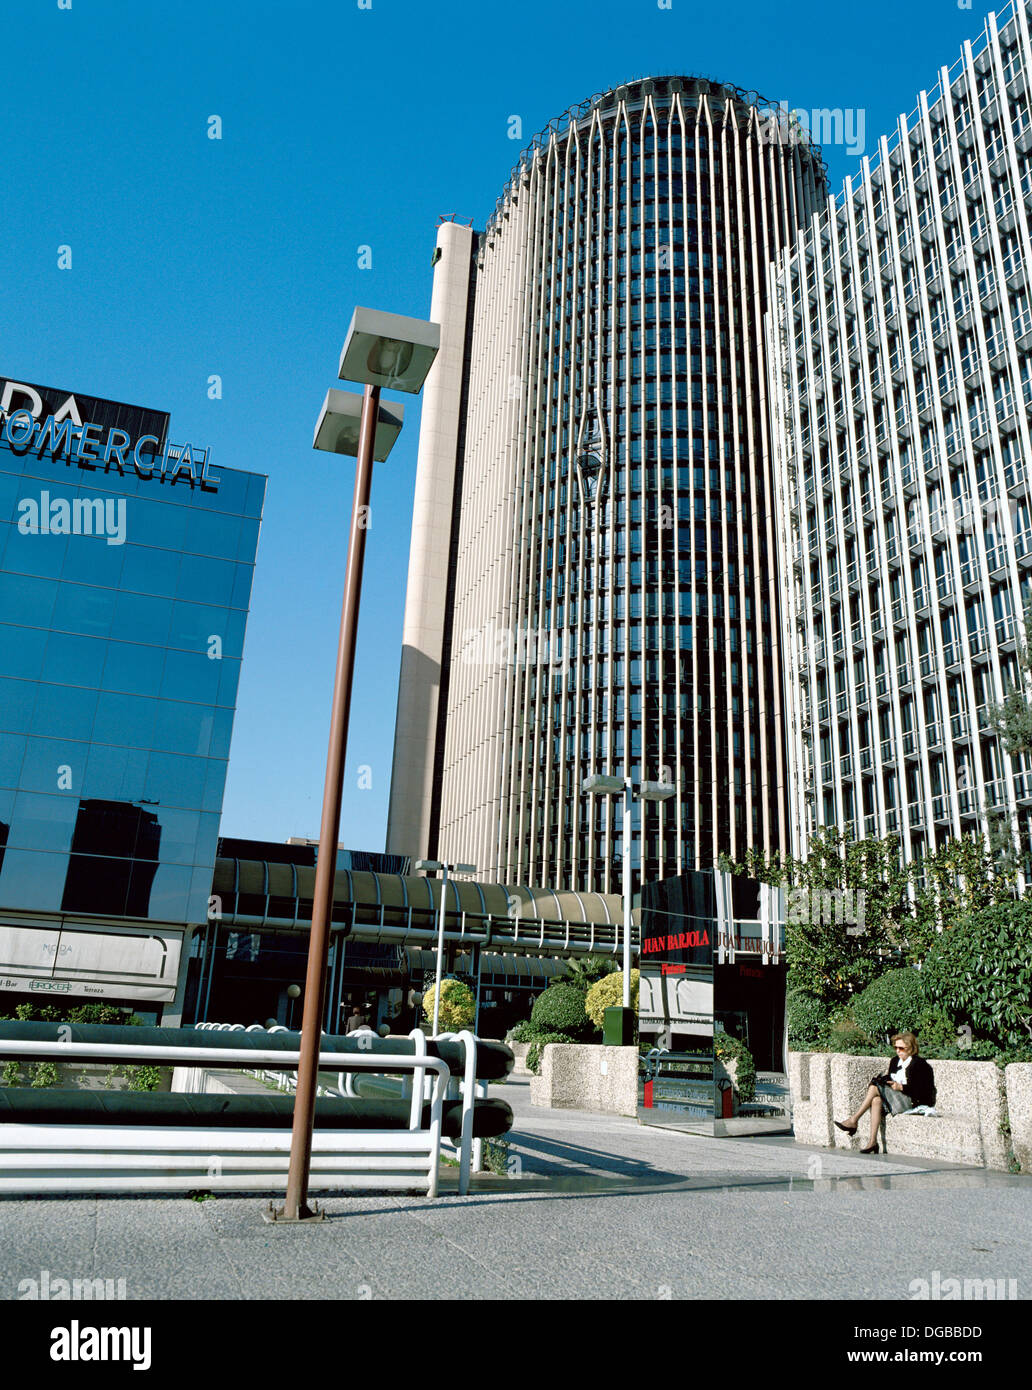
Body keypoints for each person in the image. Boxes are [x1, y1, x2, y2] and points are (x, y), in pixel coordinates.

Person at [835, 1032, 936, 1153]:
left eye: (901, 1048)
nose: (898, 1051)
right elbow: (891, 1078)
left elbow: (924, 1090)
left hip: (913, 1101)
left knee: (874, 1088)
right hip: (896, 1098)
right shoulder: (894, 1061)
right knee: (876, 1100)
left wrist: (902, 1087)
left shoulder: (920, 1065)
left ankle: (854, 1120)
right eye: (896, 1048)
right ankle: (872, 1142)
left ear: (911, 1048)